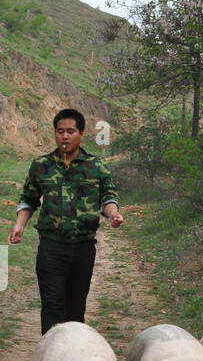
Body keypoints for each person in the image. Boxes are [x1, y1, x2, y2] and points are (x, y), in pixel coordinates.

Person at [9, 109, 123, 334]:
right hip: (52, 247)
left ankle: (74, 356)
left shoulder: (96, 166)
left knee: (76, 308)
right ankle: (50, 357)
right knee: (52, 305)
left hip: (83, 247)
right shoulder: (41, 165)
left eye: (71, 131)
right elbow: (29, 199)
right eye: (60, 131)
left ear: (81, 134)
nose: (65, 136)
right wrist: (19, 225)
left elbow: (108, 198)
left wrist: (114, 214)